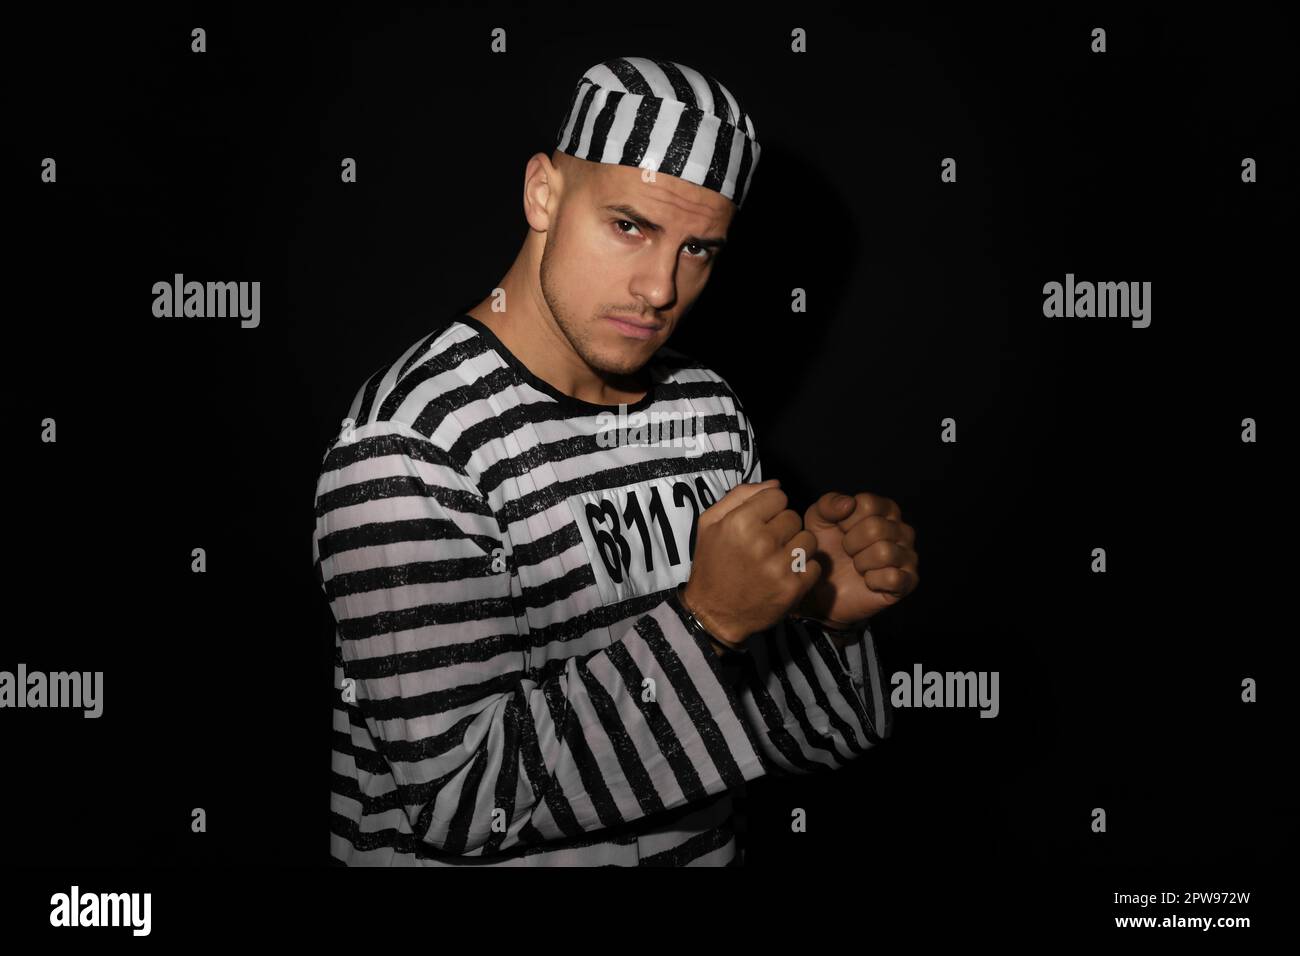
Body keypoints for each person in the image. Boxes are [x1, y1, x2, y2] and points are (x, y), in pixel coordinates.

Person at [313, 55, 919, 866]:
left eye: (699, 248)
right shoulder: (412, 442)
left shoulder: (706, 411)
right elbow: (460, 801)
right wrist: (707, 624)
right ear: (544, 194)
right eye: (629, 226)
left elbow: (798, 743)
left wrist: (822, 620)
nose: (661, 288)